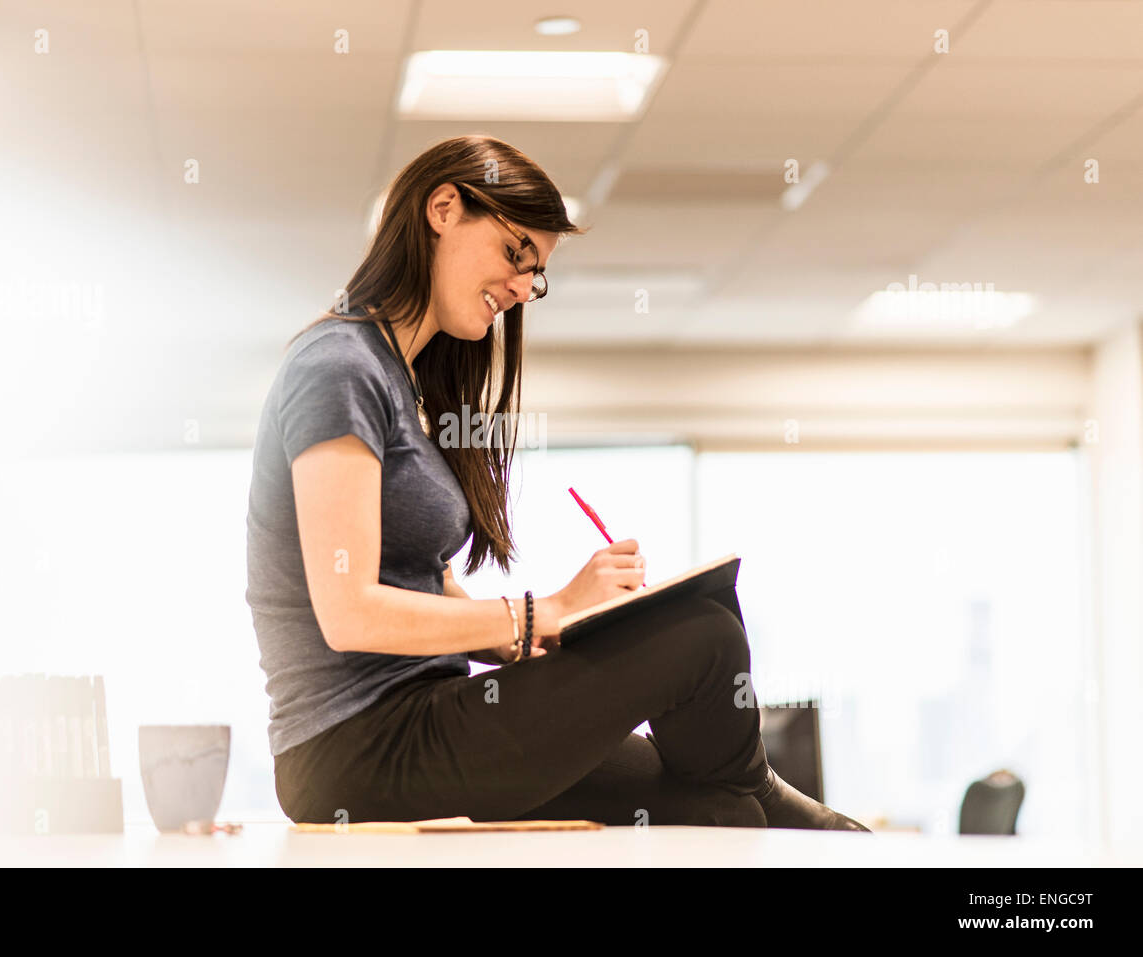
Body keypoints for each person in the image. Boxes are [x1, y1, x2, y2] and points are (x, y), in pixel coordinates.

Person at [246, 134, 870, 831]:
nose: (520, 288)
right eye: (518, 254)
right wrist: (537, 613)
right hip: (355, 748)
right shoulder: (337, 366)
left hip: (425, 717)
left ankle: (757, 795)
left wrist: (567, 622)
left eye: (535, 274)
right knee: (703, 634)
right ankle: (771, 789)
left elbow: (422, 583)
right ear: (443, 208)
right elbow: (350, 612)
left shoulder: (406, 382)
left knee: (720, 811)